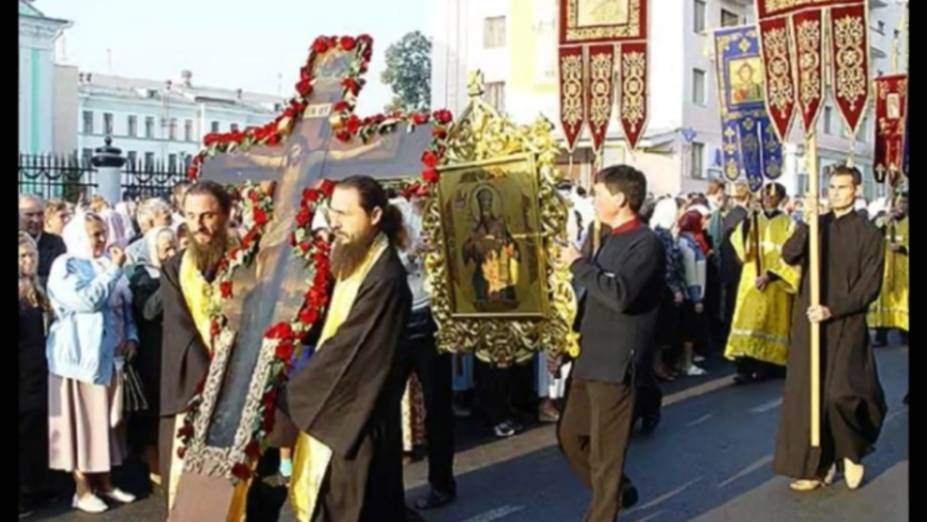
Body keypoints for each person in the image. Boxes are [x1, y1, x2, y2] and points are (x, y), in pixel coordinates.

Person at [280, 176, 413, 521]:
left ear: (374, 215)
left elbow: (350, 352)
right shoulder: (355, 257)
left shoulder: (385, 277)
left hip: (356, 419)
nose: (334, 223)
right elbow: (331, 327)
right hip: (342, 412)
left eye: (344, 214)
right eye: (332, 212)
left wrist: (290, 395)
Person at [558, 165, 664, 521]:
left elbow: (620, 295)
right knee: (571, 437)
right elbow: (594, 298)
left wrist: (579, 264)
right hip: (589, 356)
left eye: (599, 193)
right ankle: (617, 489)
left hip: (618, 359)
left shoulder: (645, 242)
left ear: (619, 199)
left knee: (607, 452)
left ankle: (602, 513)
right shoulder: (608, 238)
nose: (594, 199)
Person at [774, 165, 887, 492]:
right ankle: (814, 467)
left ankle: (851, 452)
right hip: (810, 321)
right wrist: (806, 223)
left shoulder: (869, 233)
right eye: (831, 187)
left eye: (842, 187)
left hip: (845, 323)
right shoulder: (817, 225)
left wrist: (833, 309)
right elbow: (789, 255)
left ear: (856, 190)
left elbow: (870, 286)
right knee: (808, 396)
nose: (835, 192)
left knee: (841, 393)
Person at [46, 213, 138, 514]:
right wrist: (113, 269)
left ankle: (106, 483)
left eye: (102, 233)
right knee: (81, 427)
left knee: (106, 425)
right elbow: (87, 300)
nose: (100, 240)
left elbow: (124, 306)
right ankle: (82, 489)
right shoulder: (66, 265)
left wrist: (132, 337)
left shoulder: (104, 265)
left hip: (111, 359)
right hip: (79, 361)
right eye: (93, 235)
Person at [159, 180, 231, 510]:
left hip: (238, 380)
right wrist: (210, 382)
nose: (199, 225)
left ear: (226, 215)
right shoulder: (175, 269)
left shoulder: (246, 262)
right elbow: (180, 329)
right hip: (191, 383)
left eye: (207, 216)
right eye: (191, 216)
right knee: (186, 478)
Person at [395, 193, 458, 511]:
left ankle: (442, 483)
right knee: (385, 408)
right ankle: (388, 490)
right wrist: (410, 254)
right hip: (397, 319)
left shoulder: (441, 207)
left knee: (438, 405)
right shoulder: (389, 211)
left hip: (433, 316)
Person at [724, 183, 799, 384]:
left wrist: (773, 274)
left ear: (781, 199)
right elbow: (742, 249)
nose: (768, 199)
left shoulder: (789, 224)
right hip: (751, 280)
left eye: (773, 196)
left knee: (772, 323)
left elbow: (793, 255)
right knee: (748, 323)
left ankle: (771, 366)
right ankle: (745, 367)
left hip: (776, 281)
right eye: (765, 195)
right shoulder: (753, 220)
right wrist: (748, 223)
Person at [128, 226, 177, 491]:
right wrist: (168, 280)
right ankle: (152, 463)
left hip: (174, 348)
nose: (172, 253)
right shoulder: (141, 277)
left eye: (174, 247)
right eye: (165, 249)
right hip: (151, 352)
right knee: (153, 408)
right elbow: (148, 311)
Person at [19, 233, 51, 518]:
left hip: (40, 371)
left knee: (35, 434)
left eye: (31, 255)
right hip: (23, 376)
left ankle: (35, 487)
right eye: (22, 256)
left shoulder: (38, 288)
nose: (29, 261)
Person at [650, 197, 687, 383]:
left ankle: (664, 364)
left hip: (669, 288)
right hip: (664, 290)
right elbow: (667, 265)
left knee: (668, 331)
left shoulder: (670, 232)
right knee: (661, 332)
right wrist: (675, 289)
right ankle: (658, 366)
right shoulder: (661, 234)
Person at [868, 191, 908, 347]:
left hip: (903, 269)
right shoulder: (885, 221)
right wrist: (885, 221)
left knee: (903, 301)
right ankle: (881, 335)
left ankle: (905, 333)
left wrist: (901, 248)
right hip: (885, 268)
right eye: (899, 203)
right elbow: (870, 234)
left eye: (905, 203)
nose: (901, 206)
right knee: (883, 301)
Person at [677, 209, 710, 376]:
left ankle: (685, 360)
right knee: (688, 331)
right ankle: (687, 363)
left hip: (691, 293)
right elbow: (691, 274)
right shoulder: (688, 245)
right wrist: (697, 299)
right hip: (692, 294)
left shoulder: (687, 241)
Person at [20, 194, 67, 290]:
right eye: (29, 215)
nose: (36, 220)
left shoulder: (56, 243)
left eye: (40, 214)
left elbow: (61, 278)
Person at [126, 198, 173, 266]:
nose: (171, 223)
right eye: (167, 219)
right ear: (149, 224)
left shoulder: (178, 243)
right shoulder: (133, 252)